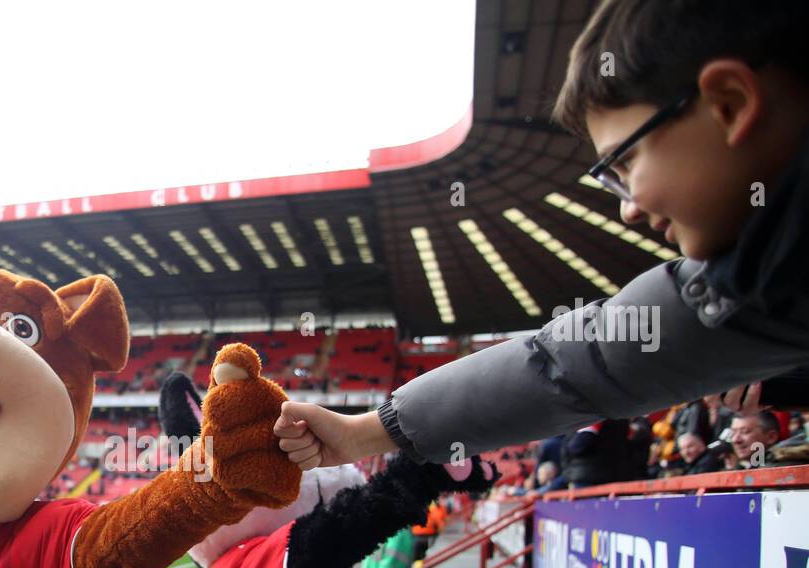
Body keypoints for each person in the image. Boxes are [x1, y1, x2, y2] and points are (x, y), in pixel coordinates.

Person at [275, 0, 809, 471]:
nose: (627, 210)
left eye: (624, 162)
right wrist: (363, 433)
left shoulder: (751, 285)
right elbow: (577, 364)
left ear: (731, 103)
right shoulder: (754, 285)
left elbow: (577, 366)